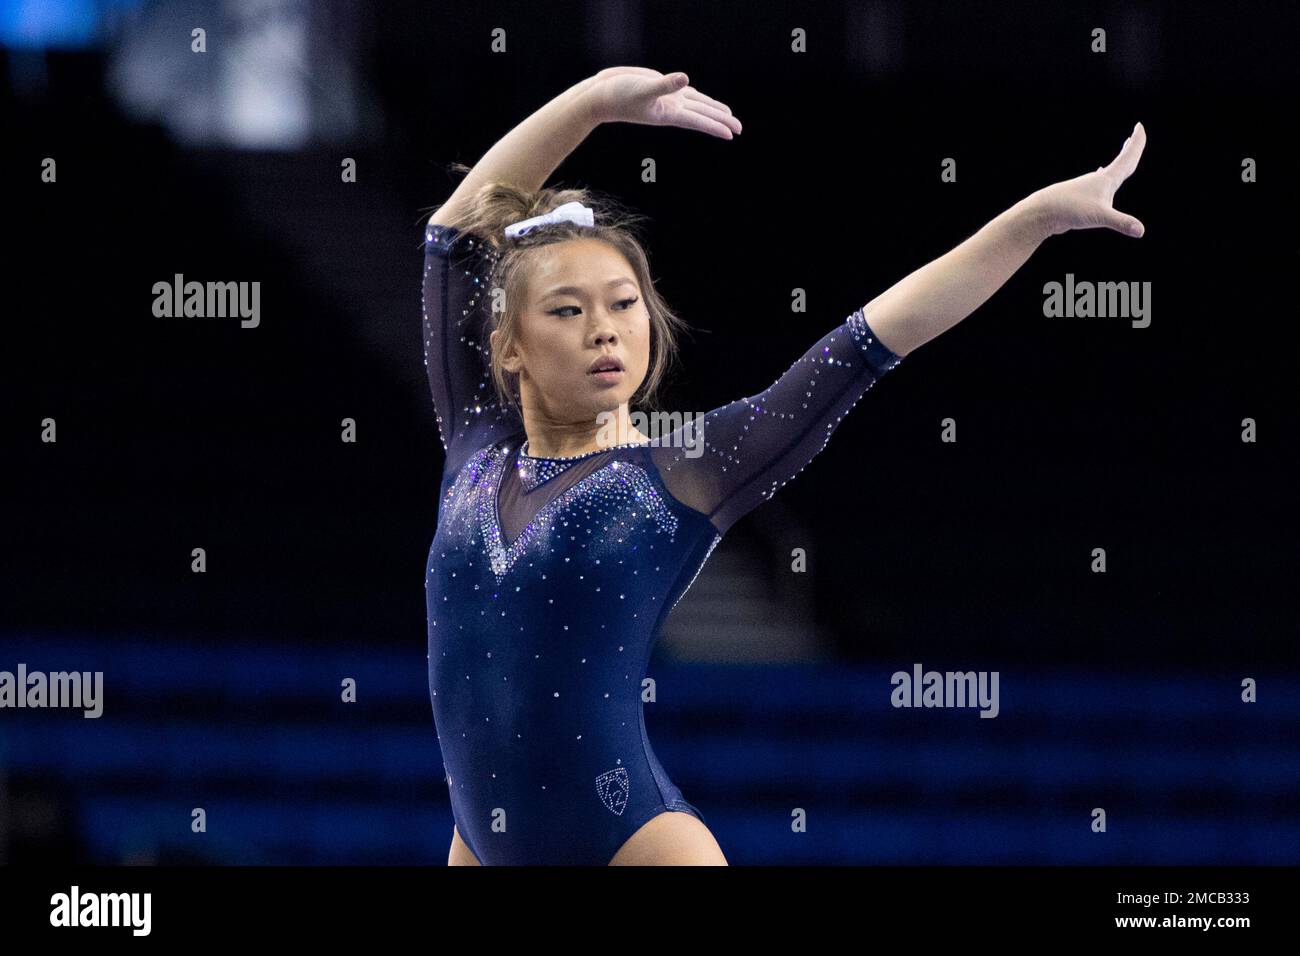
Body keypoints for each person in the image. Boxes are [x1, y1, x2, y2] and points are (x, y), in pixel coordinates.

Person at [421, 67, 1146, 865]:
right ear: (509, 349)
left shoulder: (683, 470)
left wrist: (1036, 219)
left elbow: (874, 337)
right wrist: (594, 102)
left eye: (624, 303)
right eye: (568, 309)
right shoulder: (476, 443)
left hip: (635, 846)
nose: (605, 329)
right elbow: (454, 233)